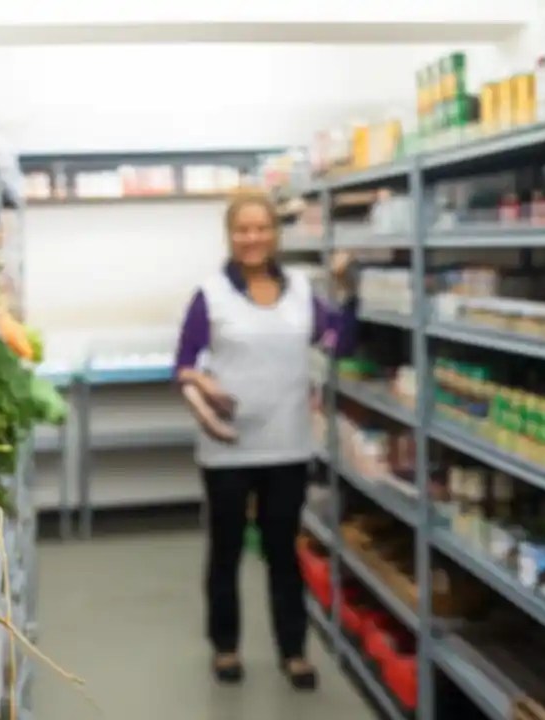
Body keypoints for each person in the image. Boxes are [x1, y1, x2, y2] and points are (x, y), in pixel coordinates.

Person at [173, 189, 356, 688]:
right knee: (226, 550)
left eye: (261, 228)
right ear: (230, 236)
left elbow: (337, 341)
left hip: (288, 444)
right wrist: (201, 381)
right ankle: (226, 647)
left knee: (282, 549)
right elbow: (184, 365)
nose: (252, 238)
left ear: (275, 234)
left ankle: (294, 651)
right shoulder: (210, 295)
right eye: (242, 229)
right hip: (227, 446)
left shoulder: (300, 289)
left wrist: (345, 290)